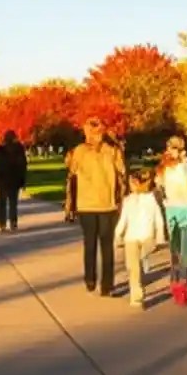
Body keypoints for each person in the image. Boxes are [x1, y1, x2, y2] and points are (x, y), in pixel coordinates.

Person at [66, 117, 126, 297]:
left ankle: (90, 278)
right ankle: (107, 284)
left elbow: (71, 170)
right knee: (106, 245)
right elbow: (122, 171)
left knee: (89, 243)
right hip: (107, 204)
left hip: (87, 204)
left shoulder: (79, 151)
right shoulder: (112, 151)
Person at [157, 135, 187, 306]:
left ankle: (185, 286)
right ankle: (175, 280)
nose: (170, 151)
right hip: (172, 210)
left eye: (174, 148)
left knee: (185, 250)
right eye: (168, 147)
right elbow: (159, 185)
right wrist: (164, 200)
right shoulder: (164, 167)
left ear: (181, 150)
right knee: (174, 250)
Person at [114, 169, 166, 308]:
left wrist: (160, 237)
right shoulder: (128, 200)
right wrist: (117, 234)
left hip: (147, 237)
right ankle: (136, 296)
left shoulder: (150, 199)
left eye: (132, 183)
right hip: (131, 237)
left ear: (139, 184)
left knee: (141, 263)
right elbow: (123, 220)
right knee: (132, 267)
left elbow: (158, 219)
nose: (130, 186)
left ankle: (140, 278)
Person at [0, 130, 28, 233]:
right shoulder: (19, 149)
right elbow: (23, 166)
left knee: (2, 203)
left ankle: (2, 224)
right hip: (14, 180)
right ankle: (13, 222)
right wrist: (23, 180)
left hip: (2, 181)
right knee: (13, 203)